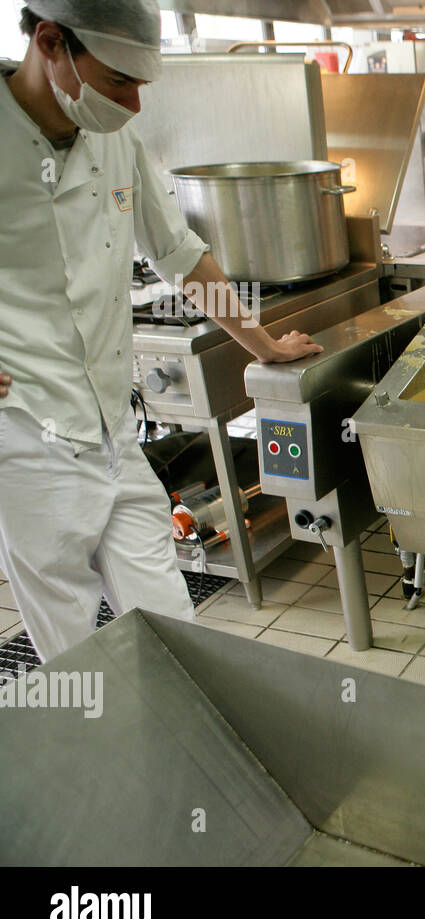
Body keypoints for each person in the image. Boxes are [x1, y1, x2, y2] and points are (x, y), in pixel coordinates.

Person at [0, 1, 323, 664]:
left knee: (176, 622)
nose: (135, 105)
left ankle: (184, 752)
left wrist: (263, 347)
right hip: (27, 435)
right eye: (120, 81)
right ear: (50, 41)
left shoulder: (115, 139)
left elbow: (177, 251)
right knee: (73, 646)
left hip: (113, 425)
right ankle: (101, 761)